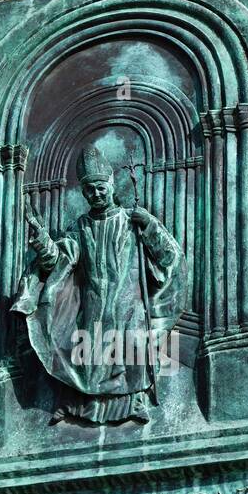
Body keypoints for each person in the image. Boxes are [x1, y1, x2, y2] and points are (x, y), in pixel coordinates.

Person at [12, 148, 183, 425]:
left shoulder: (132, 221)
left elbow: (169, 257)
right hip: (93, 301)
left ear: (111, 185)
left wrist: (151, 226)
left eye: (100, 187)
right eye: (89, 190)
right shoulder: (79, 227)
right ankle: (79, 405)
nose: (96, 194)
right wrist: (42, 240)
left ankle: (134, 401)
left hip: (128, 302)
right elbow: (58, 260)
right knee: (87, 353)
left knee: (129, 347)